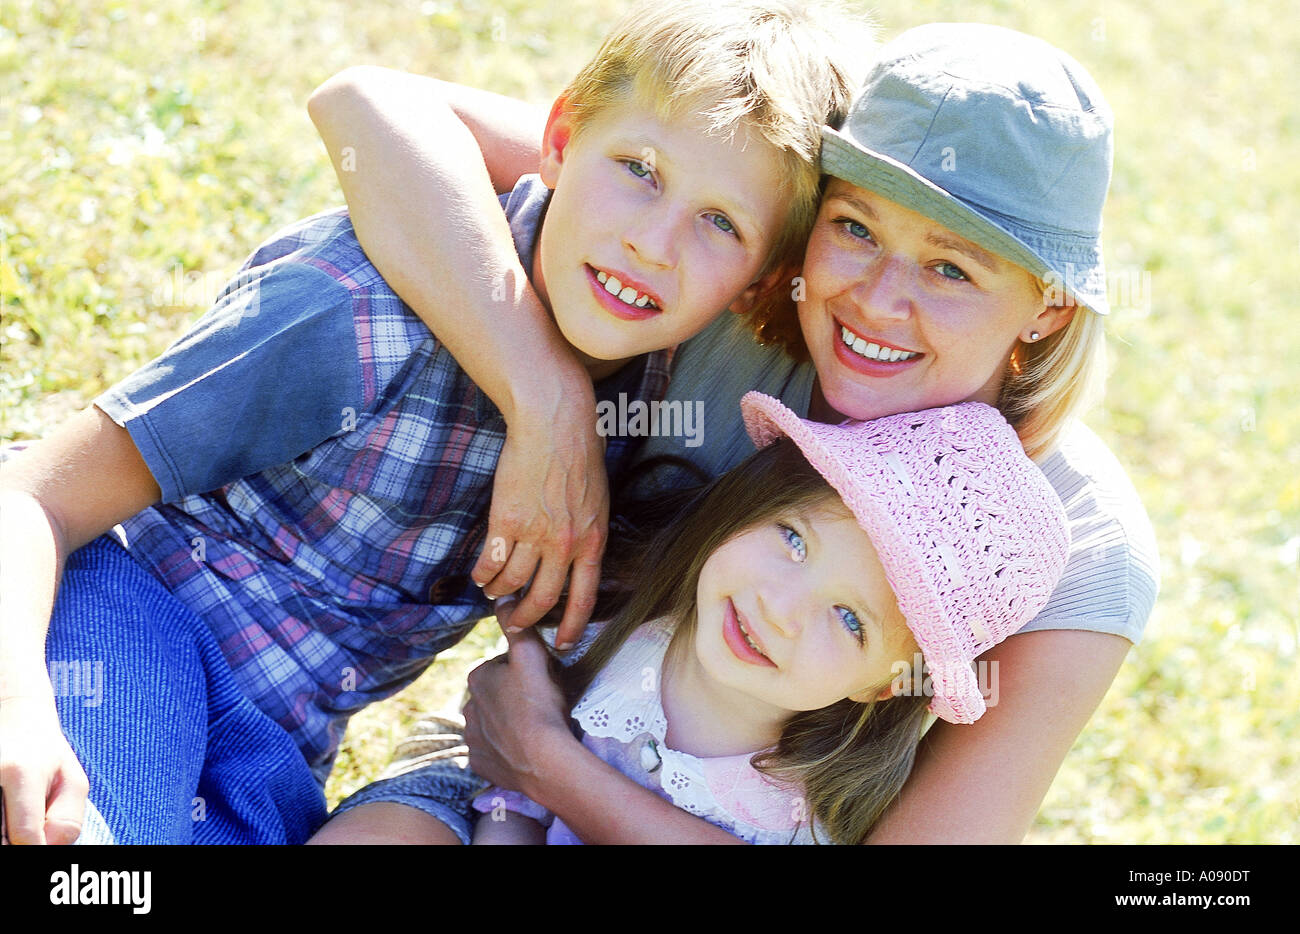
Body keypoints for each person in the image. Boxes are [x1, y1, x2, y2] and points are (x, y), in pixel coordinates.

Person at [0, 0, 867, 844]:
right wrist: (17, 710)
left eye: (720, 223)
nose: (654, 242)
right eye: (638, 169)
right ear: (559, 142)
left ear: (757, 284)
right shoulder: (359, 313)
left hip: (275, 759)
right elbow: (35, 497)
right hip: (125, 626)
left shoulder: (651, 416)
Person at [306, 22, 1160, 843]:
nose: (874, 300)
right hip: (500, 787)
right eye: (855, 227)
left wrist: (548, 764)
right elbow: (369, 107)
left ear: (1049, 304)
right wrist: (547, 401)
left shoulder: (1081, 546)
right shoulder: (732, 279)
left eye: (949, 269)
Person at [352, 393, 1073, 844]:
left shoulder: (788, 816)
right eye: (793, 539)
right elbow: (509, 785)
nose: (779, 608)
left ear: (885, 685)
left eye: (850, 620)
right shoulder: (618, 645)